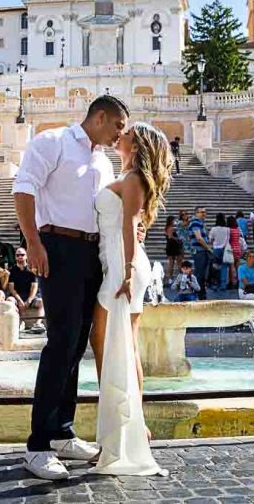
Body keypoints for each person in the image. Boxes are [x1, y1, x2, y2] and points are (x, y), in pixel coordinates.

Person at [12, 95, 124, 480]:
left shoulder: (104, 161)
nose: (120, 134)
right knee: (60, 342)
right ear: (101, 117)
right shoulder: (52, 141)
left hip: (92, 253)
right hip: (56, 247)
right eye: (118, 126)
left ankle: (62, 431)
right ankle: (37, 446)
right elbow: (23, 189)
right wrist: (33, 242)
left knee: (77, 343)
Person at [88, 120, 173, 477]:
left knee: (109, 343)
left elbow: (129, 226)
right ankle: (128, 424)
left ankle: (124, 428)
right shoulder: (128, 177)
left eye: (127, 133)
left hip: (124, 269)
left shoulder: (134, 178)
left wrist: (123, 274)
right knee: (121, 345)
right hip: (121, 264)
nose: (119, 135)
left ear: (136, 145)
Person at [6, 249, 44, 331]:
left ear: (26, 256)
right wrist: (19, 300)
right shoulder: (12, 270)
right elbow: (11, 288)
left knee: (42, 302)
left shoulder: (32, 269)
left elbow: (34, 287)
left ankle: (38, 324)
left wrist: (29, 300)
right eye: (17, 255)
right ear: (15, 257)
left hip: (30, 296)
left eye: (22, 255)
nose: (20, 256)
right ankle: (19, 321)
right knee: (9, 301)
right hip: (17, 296)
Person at [188, 206, 213, 299]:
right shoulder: (195, 223)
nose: (203, 214)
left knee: (202, 273)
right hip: (200, 251)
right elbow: (199, 238)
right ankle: (199, 294)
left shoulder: (200, 223)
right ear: (196, 213)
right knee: (200, 274)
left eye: (205, 212)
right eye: (201, 212)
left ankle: (201, 292)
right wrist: (209, 249)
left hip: (201, 251)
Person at [207, 213, 231, 290]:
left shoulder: (214, 229)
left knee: (215, 267)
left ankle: (215, 283)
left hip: (216, 249)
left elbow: (210, 240)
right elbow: (228, 239)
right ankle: (223, 284)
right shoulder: (227, 229)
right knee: (224, 267)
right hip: (225, 249)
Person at [163, 216, 183, 285]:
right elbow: (170, 236)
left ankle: (169, 279)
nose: (175, 221)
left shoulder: (166, 228)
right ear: (171, 221)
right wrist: (178, 239)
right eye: (174, 220)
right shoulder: (171, 228)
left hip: (170, 246)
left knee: (171, 263)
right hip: (173, 246)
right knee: (178, 263)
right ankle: (181, 278)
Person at [226, 215, 244, 289]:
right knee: (237, 267)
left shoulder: (229, 230)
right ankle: (238, 283)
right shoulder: (237, 229)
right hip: (238, 249)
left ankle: (231, 282)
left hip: (231, 249)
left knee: (231, 267)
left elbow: (228, 240)